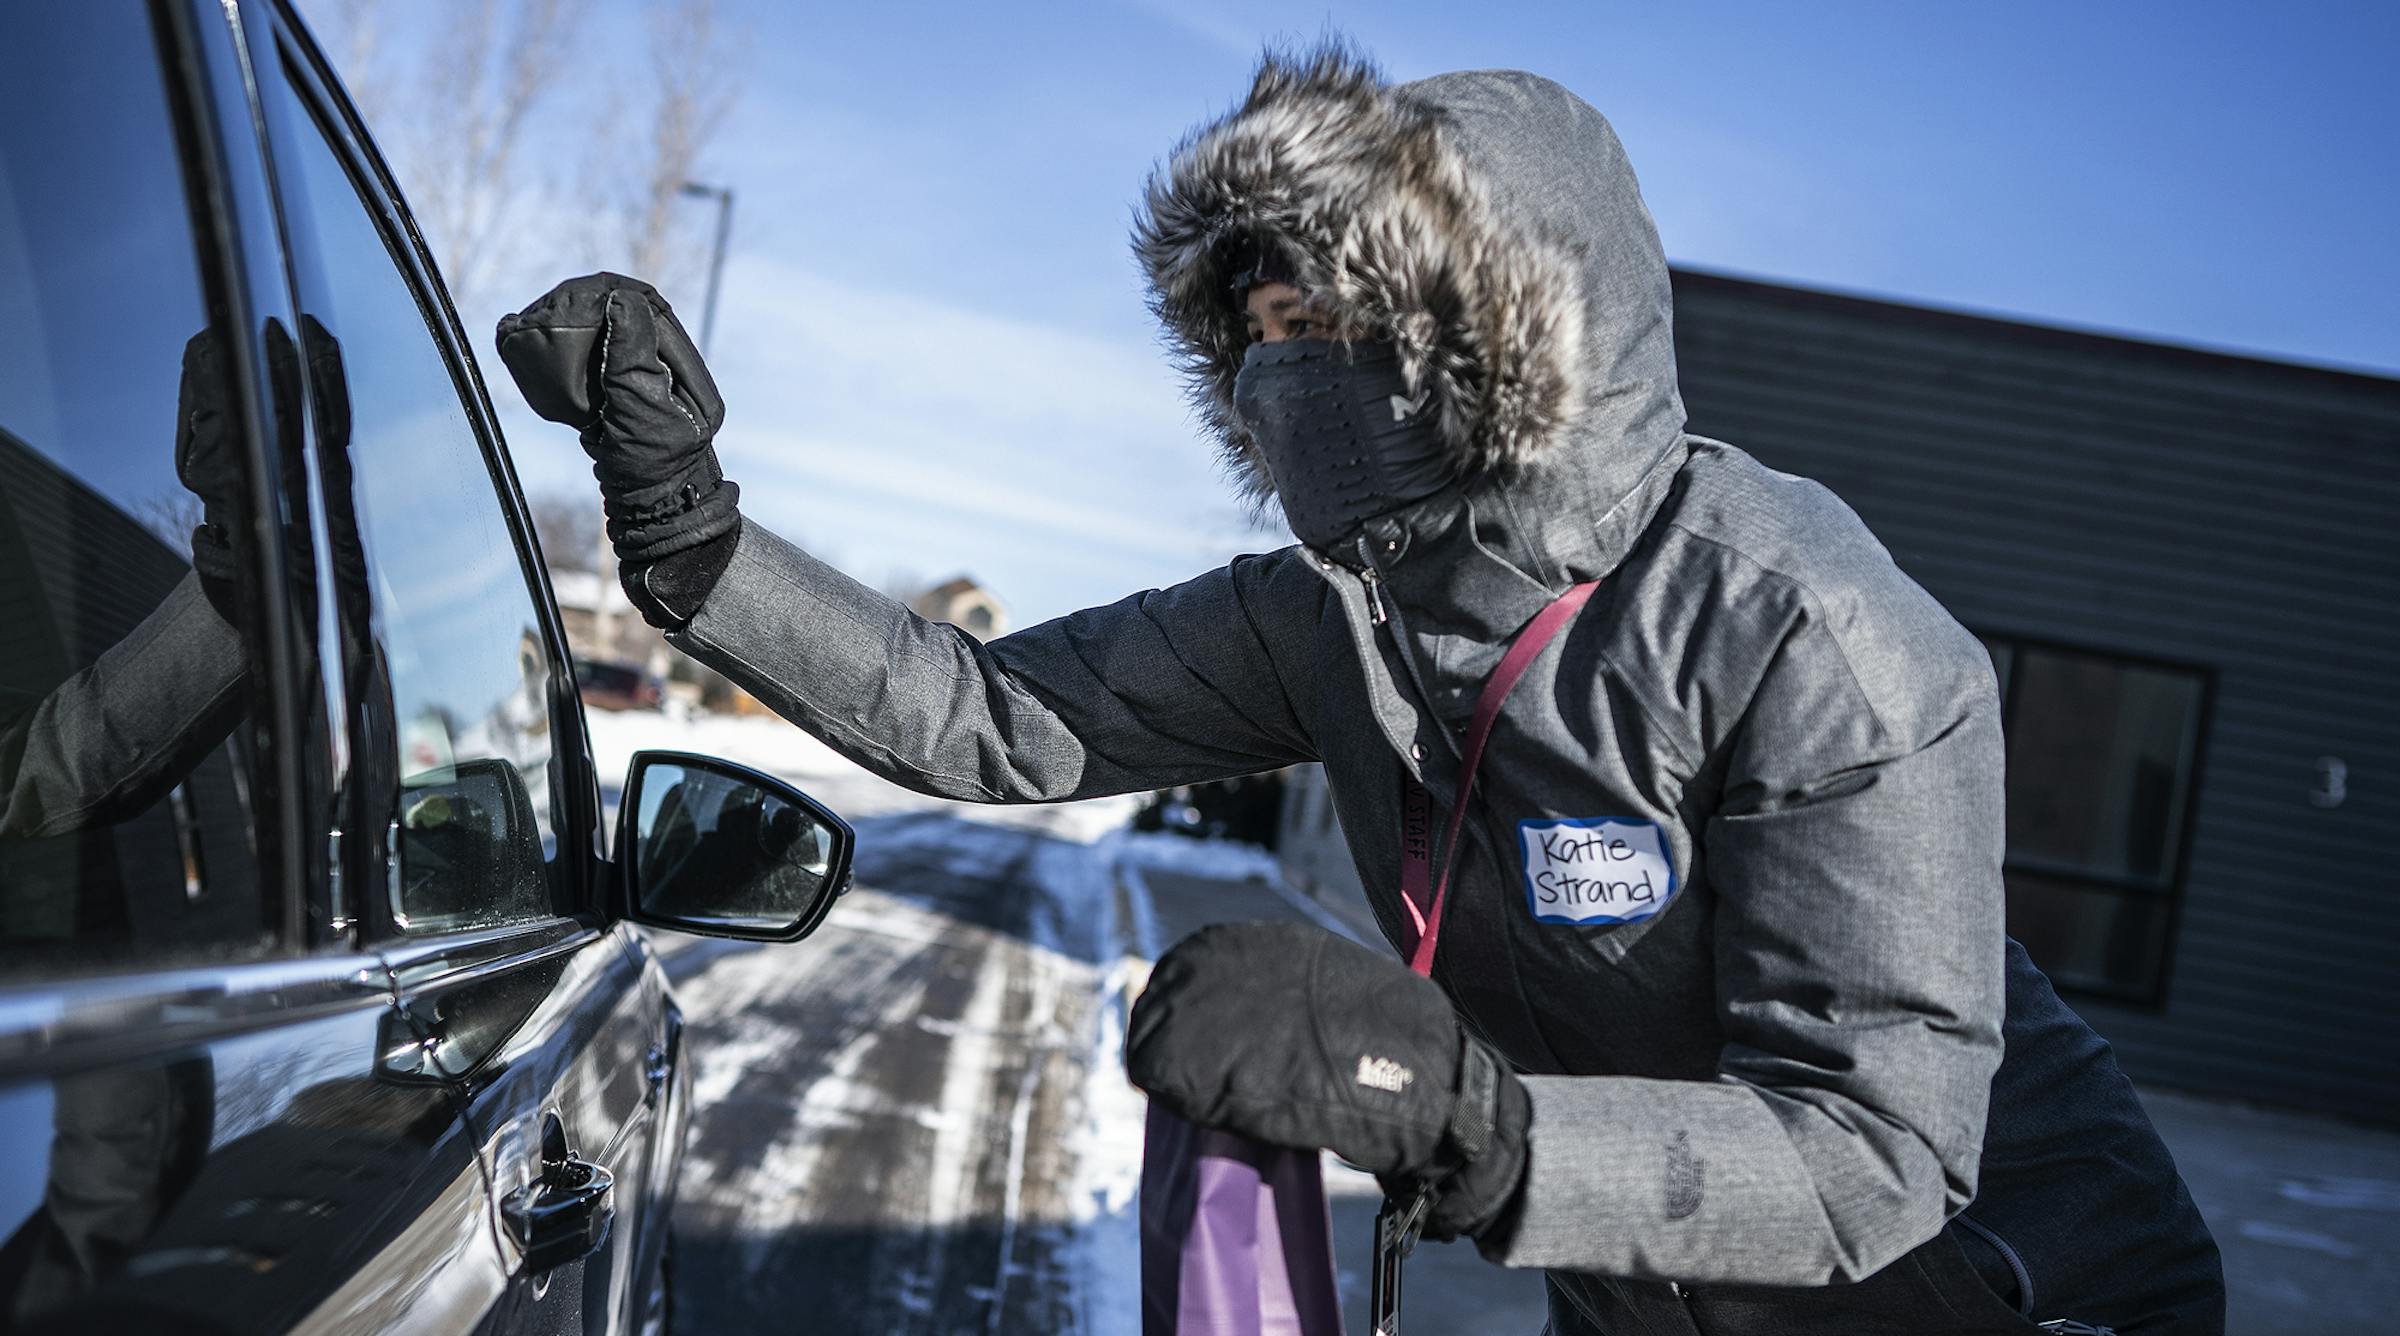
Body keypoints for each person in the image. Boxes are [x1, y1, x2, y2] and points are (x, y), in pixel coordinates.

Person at [495, 46, 2224, 1335]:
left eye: (1328, 320)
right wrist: (685, 529)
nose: (1279, 367)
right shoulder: (1327, 613)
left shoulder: (1804, 632)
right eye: (1256, 330)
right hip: (1644, 1295)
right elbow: (988, 714)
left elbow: (1871, 1149)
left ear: (1492, 333)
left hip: (2004, 1285)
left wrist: (1479, 1123)